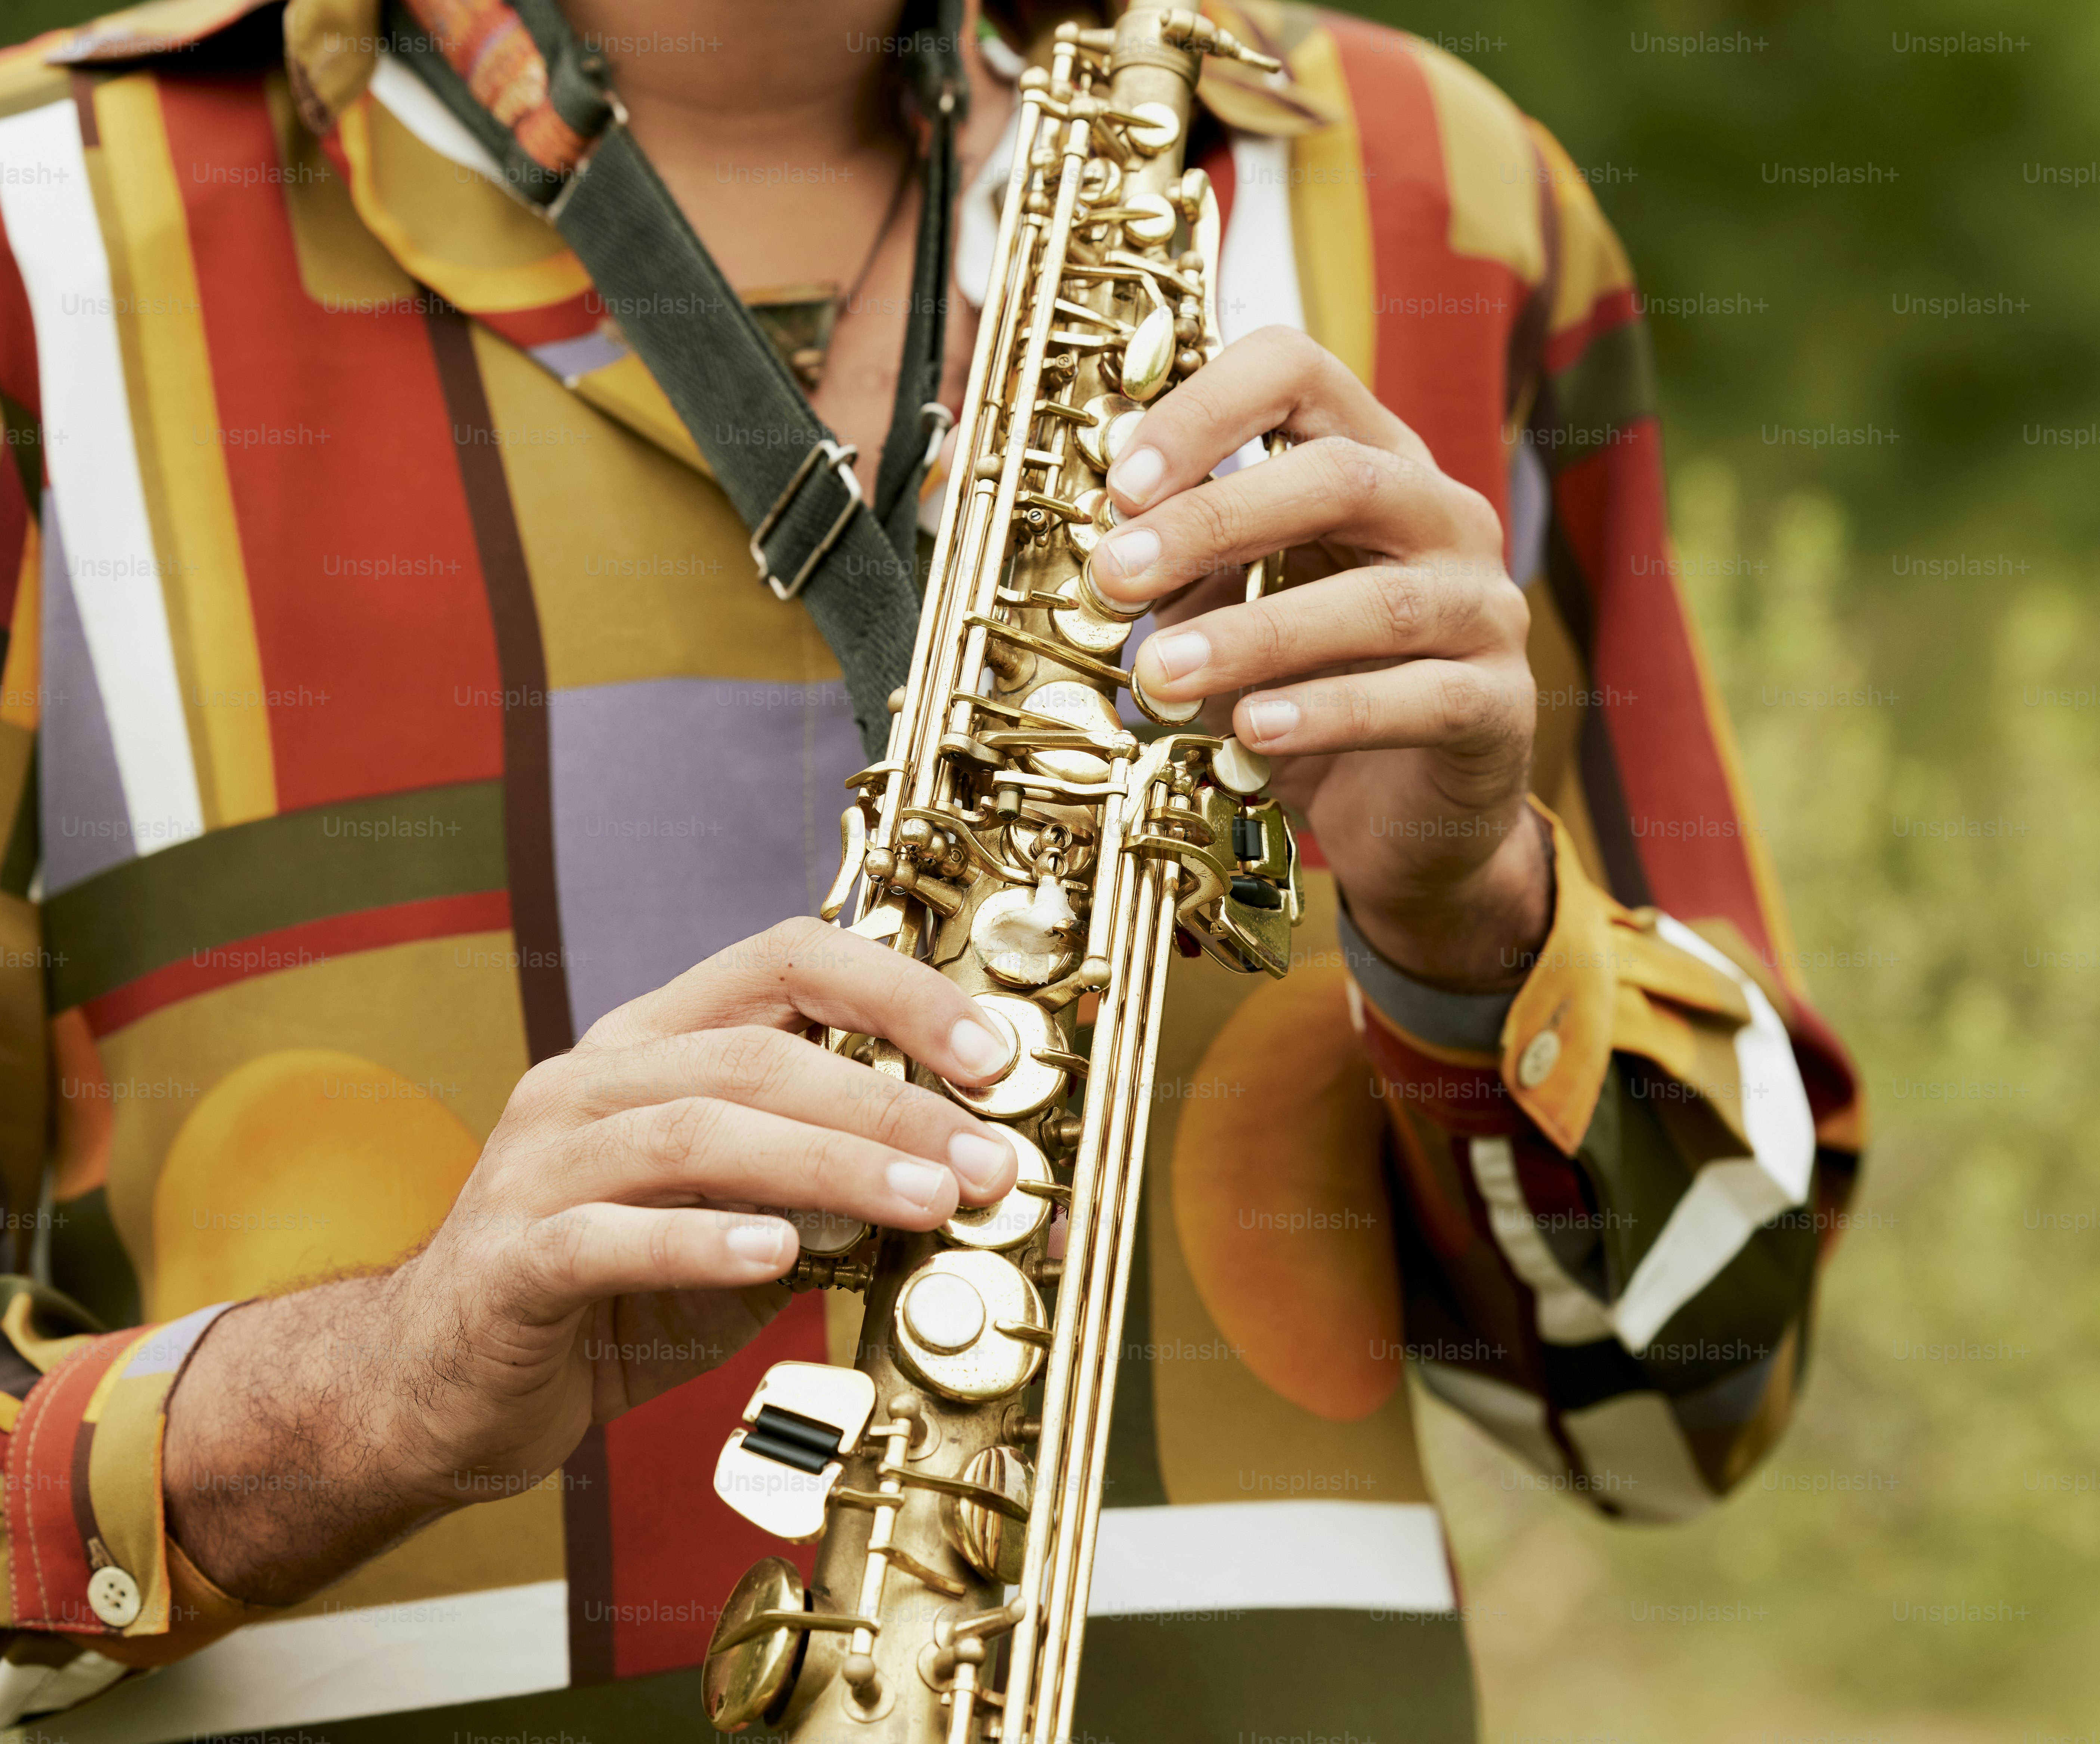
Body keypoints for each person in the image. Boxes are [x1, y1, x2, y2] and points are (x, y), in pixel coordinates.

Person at [0, 0, 1864, 1737]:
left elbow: (1695, 1399)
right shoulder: (35, 243)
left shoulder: (1436, 198)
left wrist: (1476, 923)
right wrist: (355, 1395)